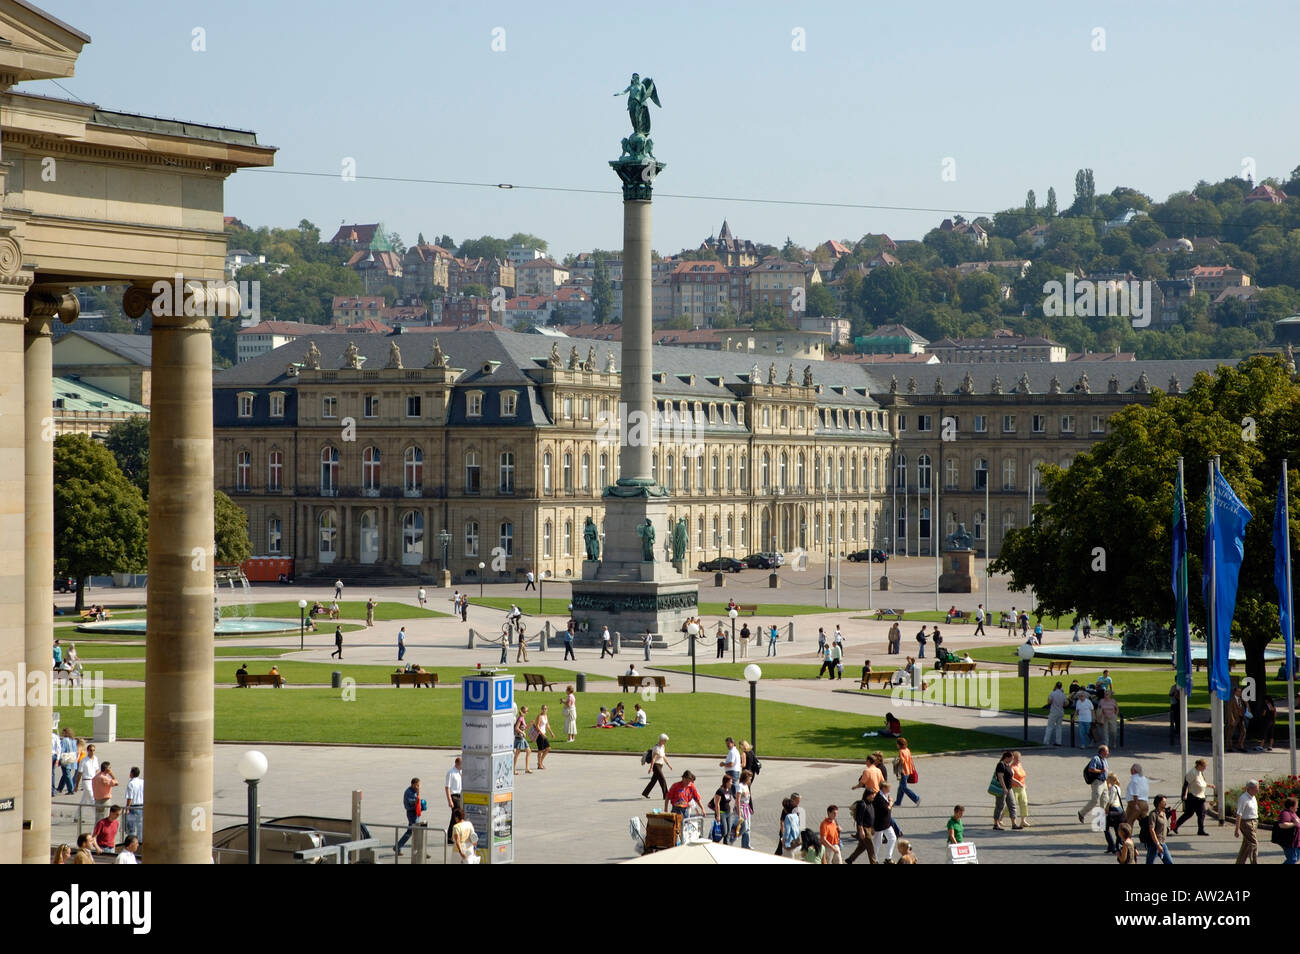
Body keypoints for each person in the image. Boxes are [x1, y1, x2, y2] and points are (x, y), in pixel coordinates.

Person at [1176, 758, 1213, 836]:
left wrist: (1209, 785)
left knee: (1201, 813)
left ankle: (1200, 830)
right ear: (1199, 765)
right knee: (1190, 813)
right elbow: (1186, 784)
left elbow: (1202, 783)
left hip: (1200, 797)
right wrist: (1184, 795)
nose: (1205, 768)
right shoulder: (1192, 772)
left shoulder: (1200, 772)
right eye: (1204, 767)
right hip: (1193, 797)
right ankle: (1175, 826)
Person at [1079, 745, 1110, 824]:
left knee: (1104, 800)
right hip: (1097, 782)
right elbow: (1091, 768)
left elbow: (1106, 771)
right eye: (1107, 751)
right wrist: (1100, 771)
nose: (1108, 753)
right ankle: (1082, 813)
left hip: (1104, 782)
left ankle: (1101, 820)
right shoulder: (1095, 758)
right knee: (1095, 800)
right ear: (1102, 752)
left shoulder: (1105, 759)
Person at [395, 778, 425, 856]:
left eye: (419, 785)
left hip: (415, 813)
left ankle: (398, 846)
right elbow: (414, 802)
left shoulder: (414, 791)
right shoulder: (409, 792)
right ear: (413, 784)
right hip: (411, 814)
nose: (419, 786)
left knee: (410, 831)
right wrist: (418, 795)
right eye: (417, 785)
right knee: (417, 831)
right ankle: (422, 851)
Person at [1234, 779, 1260, 864]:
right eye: (1256, 789)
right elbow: (1239, 813)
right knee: (1253, 843)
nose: (1258, 790)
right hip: (1246, 823)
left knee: (1246, 844)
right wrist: (1237, 829)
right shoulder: (1243, 798)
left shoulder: (1253, 797)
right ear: (1250, 789)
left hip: (1254, 822)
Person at [992, 750, 1019, 831]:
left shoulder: (1007, 765)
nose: (1012, 760)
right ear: (1006, 758)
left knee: (1012, 805)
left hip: (1009, 788)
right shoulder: (1001, 765)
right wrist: (1004, 788)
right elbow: (1000, 777)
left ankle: (1014, 824)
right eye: (1011, 758)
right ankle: (996, 824)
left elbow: (1010, 777)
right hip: (1002, 789)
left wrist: (1018, 783)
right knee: (1000, 806)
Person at [1145, 794, 1173, 864]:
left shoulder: (1163, 813)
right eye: (1164, 802)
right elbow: (1151, 829)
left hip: (1162, 843)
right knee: (1149, 862)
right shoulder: (1153, 814)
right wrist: (1157, 844)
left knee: (1169, 862)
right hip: (1154, 844)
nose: (1165, 803)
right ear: (1159, 803)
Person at [710, 774, 738, 845]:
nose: (731, 783)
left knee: (728, 831)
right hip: (721, 813)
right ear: (726, 782)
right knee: (724, 831)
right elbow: (717, 804)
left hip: (728, 813)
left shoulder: (729, 790)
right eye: (730, 782)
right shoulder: (720, 791)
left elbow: (729, 801)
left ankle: (726, 845)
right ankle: (714, 841)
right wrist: (718, 815)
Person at [642, 733, 671, 800]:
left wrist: (668, 764)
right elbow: (654, 758)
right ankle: (666, 795)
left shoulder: (662, 747)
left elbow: (663, 756)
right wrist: (651, 767)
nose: (666, 742)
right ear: (661, 740)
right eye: (665, 740)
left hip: (660, 765)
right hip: (656, 765)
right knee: (662, 780)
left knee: (653, 780)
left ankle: (645, 793)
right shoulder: (656, 748)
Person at [893, 737, 920, 807]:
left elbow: (902, 760)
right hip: (908, 770)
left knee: (903, 787)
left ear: (899, 744)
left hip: (903, 771)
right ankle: (898, 802)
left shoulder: (901, 751)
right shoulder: (907, 750)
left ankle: (916, 798)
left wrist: (896, 763)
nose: (896, 745)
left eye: (897, 744)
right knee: (901, 787)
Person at [873, 783, 897, 861]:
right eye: (888, 788)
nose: (889, 789)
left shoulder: (885, 795)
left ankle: (888, 858)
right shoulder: (878, 798)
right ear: (883, 788)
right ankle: (874, 860)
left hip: (886, 823)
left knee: (892, 838)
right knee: (877, 843)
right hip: (879, 824)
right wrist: (891, 803)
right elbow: (886, 810)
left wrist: (889, 801)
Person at [1103, 772, 1125, 853]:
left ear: (1110, 779)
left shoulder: (1113, 788)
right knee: (1117, 829)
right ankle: (1118, 845)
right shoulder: (1118, 787)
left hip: (1113, 809)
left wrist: (1106, 808)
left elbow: (1111, 800)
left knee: (1105, 828)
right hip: (1119, 810)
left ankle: (1111, 846)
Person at [1124, 763, 1151, 827]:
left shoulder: (1134, 780)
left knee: (1128, 822)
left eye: (1131, 769)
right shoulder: (1144, 779)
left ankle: (1127, 836)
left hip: (1135, 803)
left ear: (1134, 770)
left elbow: (1135, 794)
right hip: (1145, 803)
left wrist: (1135, 805)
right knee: (1144, 822)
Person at [1275, 796, 1300, 865]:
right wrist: (1294, 824)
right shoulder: (1285, 813)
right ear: (1291, 807)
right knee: (1292, 859)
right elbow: (1282, 824)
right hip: (1289, 842)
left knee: (1296, 857)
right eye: (1296, 806)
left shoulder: (1292, 812)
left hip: (1296, 842)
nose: (1297, 807)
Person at [734, 769, 755, 849]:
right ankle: (734, 838)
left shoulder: (746, 786)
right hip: (742, 808)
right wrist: (739, 813)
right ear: (745, 777)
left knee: (748, 827)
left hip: (747, 808)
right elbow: (737, 800)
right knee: (744, 827)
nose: (750, 779)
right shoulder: (740, 786)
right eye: (749, 777)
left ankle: (746, 845)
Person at [444, 757, 463, 843]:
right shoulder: (451, 772)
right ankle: (451, 836)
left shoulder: (461, 772)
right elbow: (447, 787)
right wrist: (450, 800)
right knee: (457, 816)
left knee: (454, 816)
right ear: (458, 763)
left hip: (461, 795)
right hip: (454, 796)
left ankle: (450, 836)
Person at [123, 766, 143, 843]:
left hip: (133, 807)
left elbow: (129, 797)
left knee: (132, 827)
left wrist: (127, 808)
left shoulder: (131, 783)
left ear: (131, 773)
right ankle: (140, 842)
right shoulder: (142, 782)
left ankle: (132, 842)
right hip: (141, 806)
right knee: (140, 827)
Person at [1009, 751, 1029, 827]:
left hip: (1022, 788)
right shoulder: (1011, 767)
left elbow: (1022, 775)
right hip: (1014, 788)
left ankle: (1023, 821)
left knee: (1024, 803)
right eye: (1016, 759)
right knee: (1011, 805)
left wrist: (1023, 784)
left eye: (1019, 759)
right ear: (1012, 759)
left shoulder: (1019, 765)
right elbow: (1011, 779)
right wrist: (1019, 783)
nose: (1018, 760)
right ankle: (1000, 818)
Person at [1045, 681, 1067, 746]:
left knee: (1050, 727)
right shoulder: (1063, 694)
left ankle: (1046, 741)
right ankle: (1058, 741)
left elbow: (1049, 702)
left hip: (1054, 711)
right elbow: (1066, 704)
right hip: (1061, 711)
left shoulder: (1052, 693)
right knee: (1059, 727)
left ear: (1056, 686)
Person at [513, 705, 533, 774]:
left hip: (522, 738)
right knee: (517, 754)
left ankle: (527, 768)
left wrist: (530, 724)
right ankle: (513, 769)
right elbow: (516, 728)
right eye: (526, 711)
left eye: (527, 711)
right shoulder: (520, 718)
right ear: (524, 711)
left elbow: (524, 728)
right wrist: (523, 733)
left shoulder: (522, 718)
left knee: (529, 751)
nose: (527, 712)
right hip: (519, 738)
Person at [533, 705, 554, 769]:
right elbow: (537, 726)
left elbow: (547, 725)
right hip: (539, 735)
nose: (544, 710)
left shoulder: (545, 716)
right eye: (543, 709)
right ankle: (539, 764)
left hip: (544, 734)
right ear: (541, 709)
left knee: (548, 748)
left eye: (546, 709)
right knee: (540, 750)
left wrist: (551, 733)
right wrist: (542, 733)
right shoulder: (540, 716)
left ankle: (540, 762)